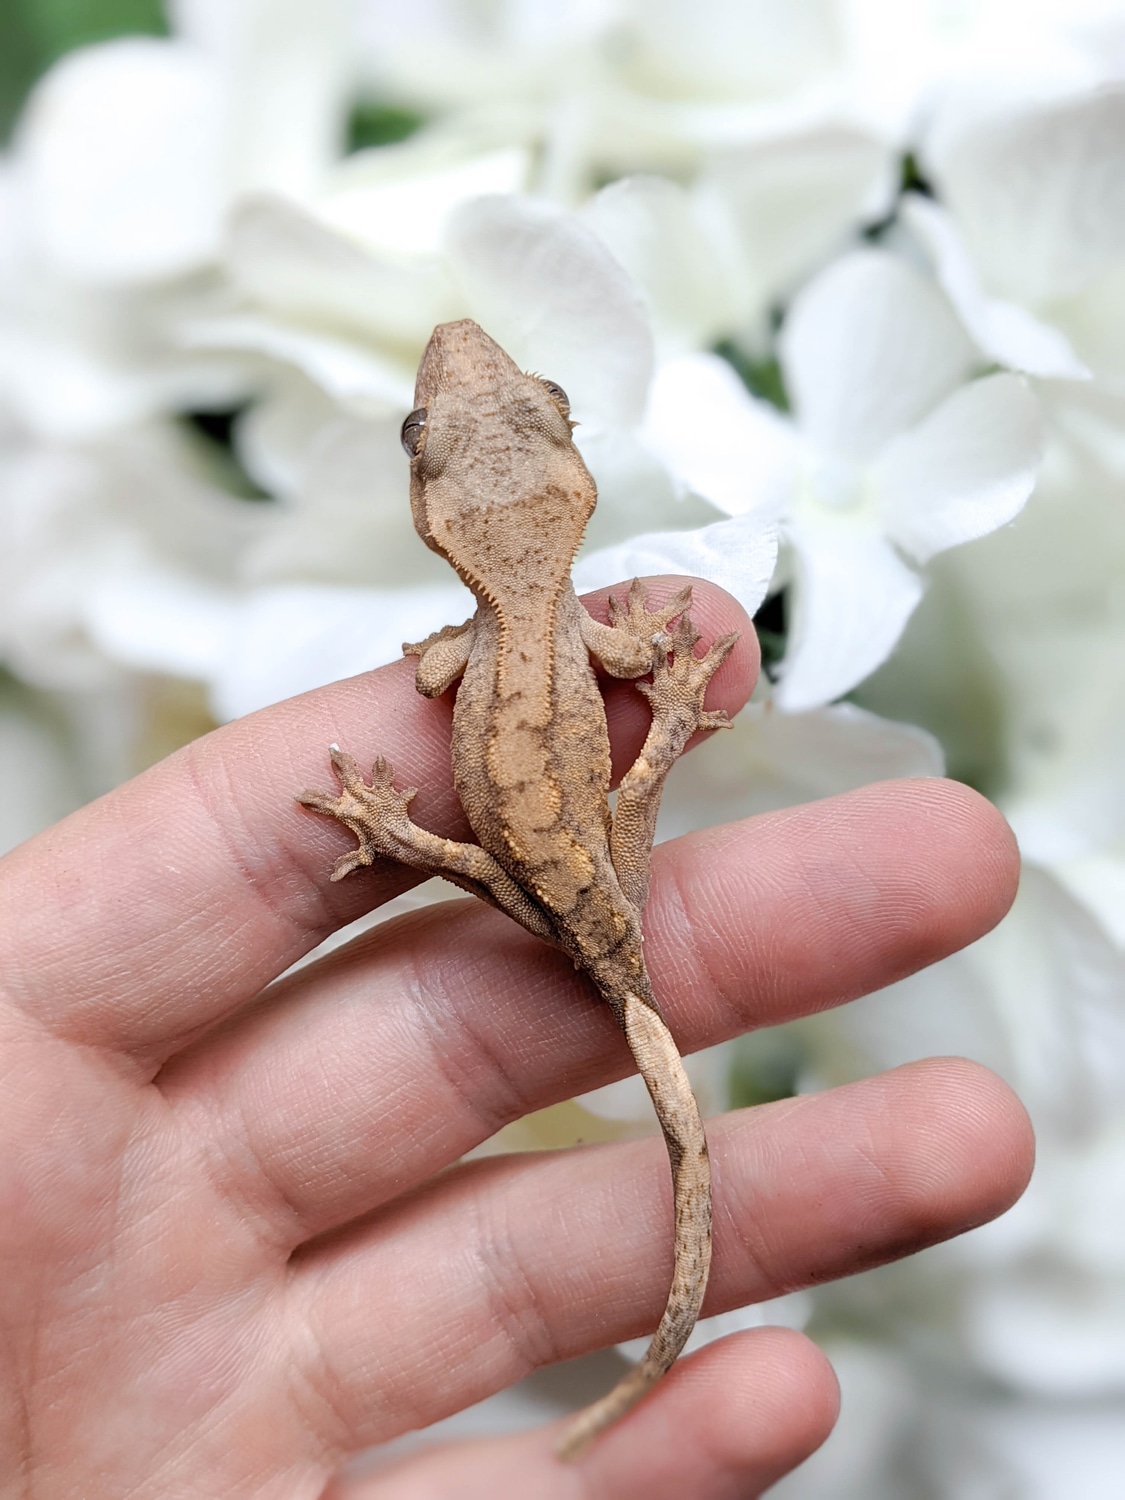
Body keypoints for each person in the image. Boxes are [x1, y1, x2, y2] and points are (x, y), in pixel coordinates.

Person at [0, 579, 1032, 1498]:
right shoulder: (574, 630)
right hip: (568, 863)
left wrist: (410, 819)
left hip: (552, 868)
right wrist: (661, 701)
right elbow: (604, 663)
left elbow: (439, 669)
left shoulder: (475, 642)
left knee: (585, 843)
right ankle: (453, 827)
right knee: (609, 820)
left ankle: (430, 836)